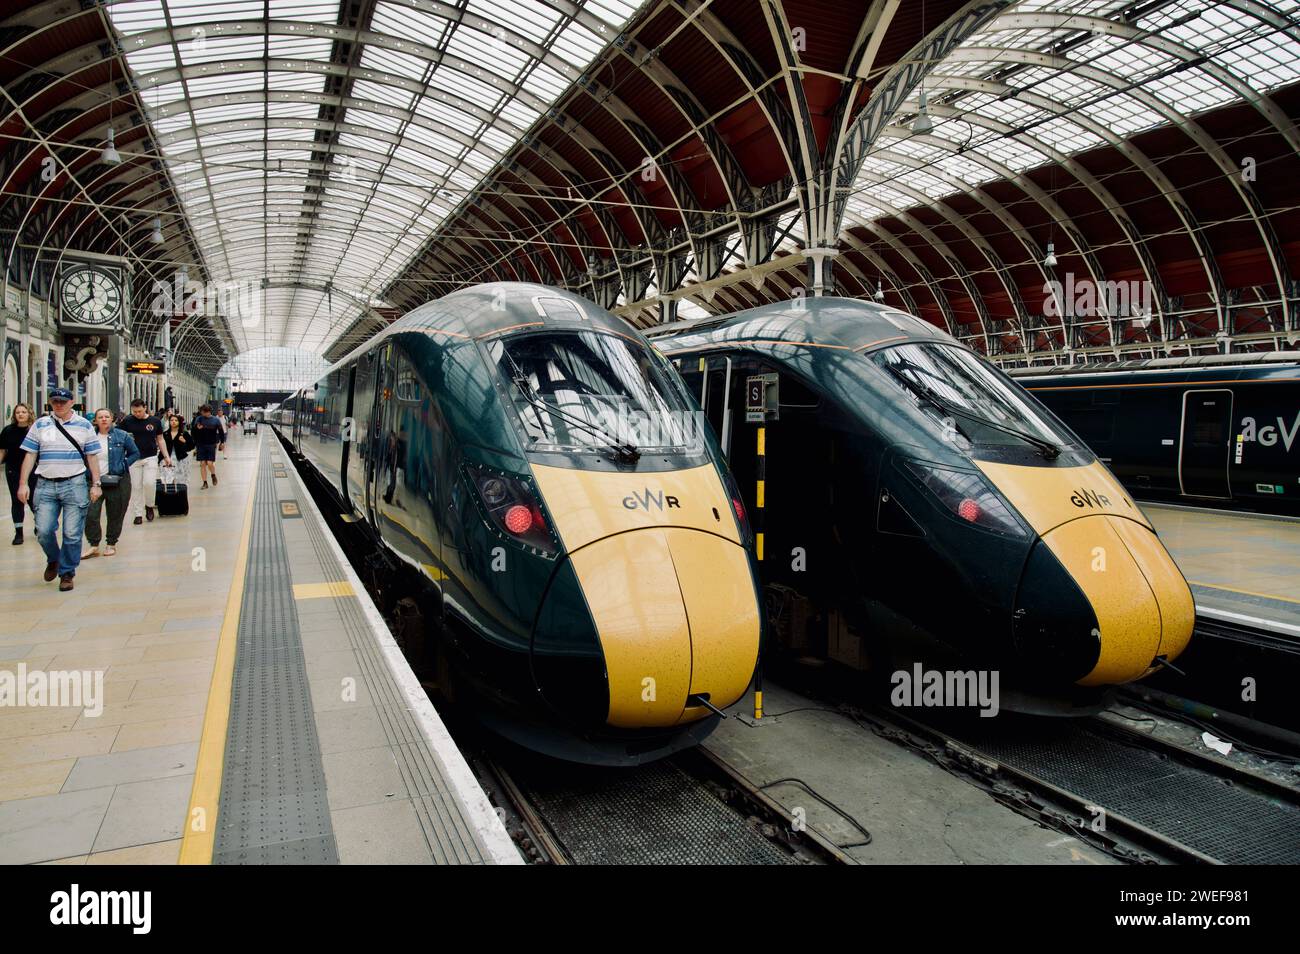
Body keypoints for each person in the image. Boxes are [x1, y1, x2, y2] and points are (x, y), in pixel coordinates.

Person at [16, 387, 102, 592]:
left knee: (72, 533)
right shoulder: (40, 424)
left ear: (72, 402)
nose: (59, 405)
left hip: (74, 483)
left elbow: (92, 456)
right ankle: (54, 559)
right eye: (55, 401)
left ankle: (67, 572)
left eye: (63, 401)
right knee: (44, 530)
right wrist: (23, 483)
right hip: (45, 484)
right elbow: (30, 455)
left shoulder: (84, 426)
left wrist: (96, 484)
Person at [83, 408, 140, 558]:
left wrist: (124, 465)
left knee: (115, 513)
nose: (103, 419)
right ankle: (94, 544)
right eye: (100, 417)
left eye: (106, 416)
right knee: (90, 513)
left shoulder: (122, 436)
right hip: (94, 481)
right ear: (95, 420)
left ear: (112, 419)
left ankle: (111, 543)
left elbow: (135, 452)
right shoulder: (89, 437)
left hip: (117, 480)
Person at [120, 399, 170, 524]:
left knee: (149, 483)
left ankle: (149, 505)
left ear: (145, 408)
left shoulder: (155, 421)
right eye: (134, 411)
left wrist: (166, 456)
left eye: (140, 411)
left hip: (150, 456)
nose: (137, 414)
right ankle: (138, 514)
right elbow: (119, 436)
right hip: (133, 458)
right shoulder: (127, 421)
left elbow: (160, 439)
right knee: (136, 486)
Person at [1, 403, 35, 544]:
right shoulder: (8, 430)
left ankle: (40, 525)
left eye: (23, 412)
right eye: (18, 412)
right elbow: (2, 450)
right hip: (13, 469)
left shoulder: (34, 430)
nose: (20, 414)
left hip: (32, 470)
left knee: (34, 499)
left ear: (29, 414)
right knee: (17, 500)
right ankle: (19, 533)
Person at [191, 404, 225, 489]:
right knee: (202, 464)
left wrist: (222, 442)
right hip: (201, 444)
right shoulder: (199, 419)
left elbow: (221, 431)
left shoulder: (216, 420)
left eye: (204, 412)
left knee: (210, 463)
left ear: (209, 411)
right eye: (202, 412)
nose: (202, 413)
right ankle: (205, 482)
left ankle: (213, 475)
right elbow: (193, 431)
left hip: (211, 444)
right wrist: (197, 429)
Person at [162, 413, 193, 486]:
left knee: (181, 480)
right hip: (168, 459)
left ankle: (180, 495)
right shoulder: (165, 434)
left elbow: (191, 446)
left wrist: (184, 442)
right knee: (168, 480)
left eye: (176, 420)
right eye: (171, 420)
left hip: (181, 459)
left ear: (179, 422)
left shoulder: (184, 434)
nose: (173, 422)